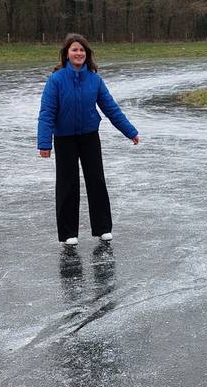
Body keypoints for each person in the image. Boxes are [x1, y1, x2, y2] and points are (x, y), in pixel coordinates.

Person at [38, 33, 139, 246]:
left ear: (87, 54)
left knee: (96, 181)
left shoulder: (94, 80)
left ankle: (103, 228)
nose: (79, 53)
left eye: (82, 50)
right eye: (74, 49)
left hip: (89, 137)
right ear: (66, 54)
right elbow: (47, 112)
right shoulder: (56, 80)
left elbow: (111, 108)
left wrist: (129, 131)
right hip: (64, 139)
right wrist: (44, 143)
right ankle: (68, 233)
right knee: (67, 184)